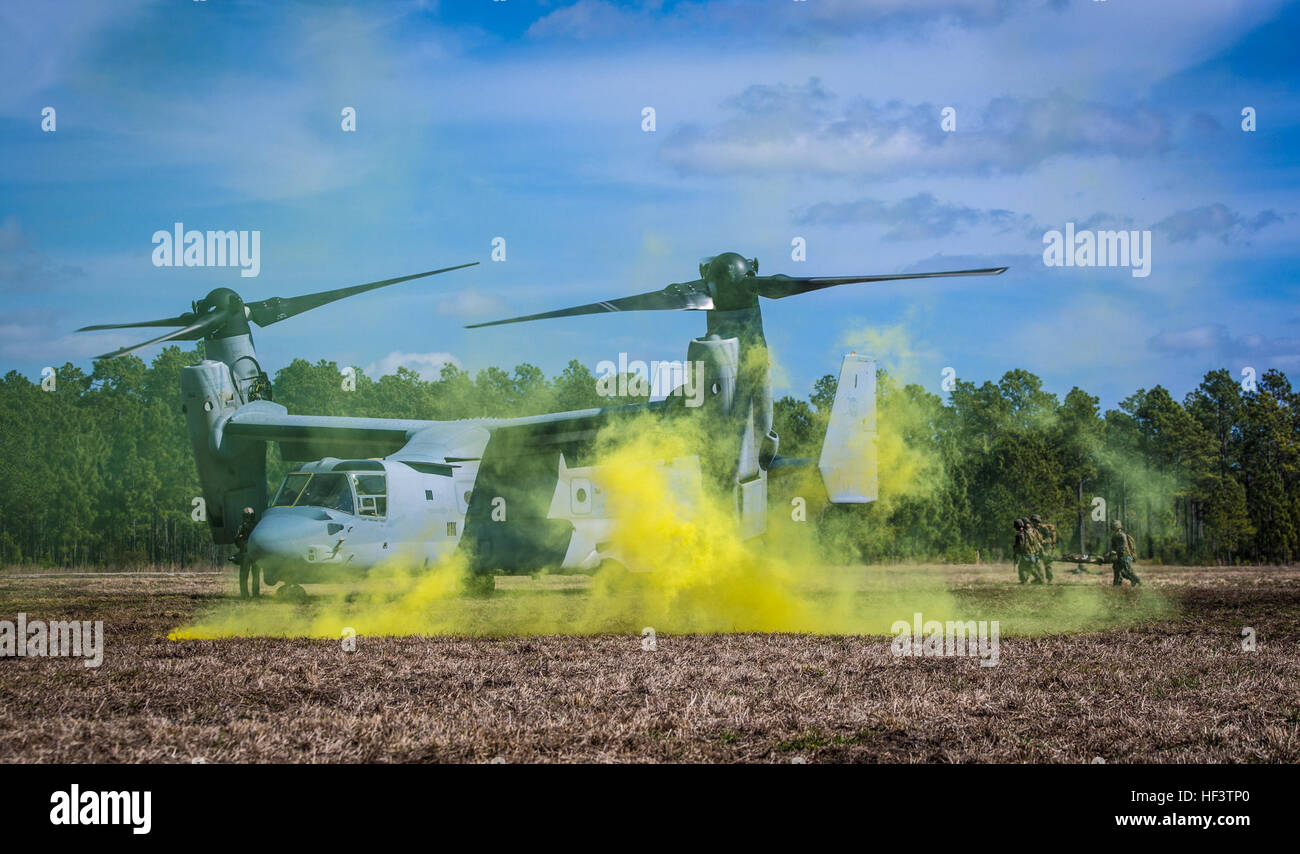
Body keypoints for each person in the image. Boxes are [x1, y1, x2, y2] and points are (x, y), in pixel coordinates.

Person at [233, 507, 261, 599]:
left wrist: (242, 542)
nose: (248, 518)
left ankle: (247, 595)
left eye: (249, 516)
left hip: (248, 553)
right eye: (247, 516)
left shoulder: (242, 526)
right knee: (253, 575)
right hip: (252, 553)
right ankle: (253, 595)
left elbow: (236, 541)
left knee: (247, 575)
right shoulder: (257, 526)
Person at [1104, 519, 1141, 587]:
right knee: (1117, 570)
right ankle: (1116, 586)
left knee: (1128, 571)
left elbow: (1123, 547)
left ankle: (1138, 581)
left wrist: (1113, 552)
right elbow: (1113, 547)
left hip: (1124, 556)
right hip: (1118, 556)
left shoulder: (1122, 535)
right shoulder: (1114, 536)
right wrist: (1111, 553)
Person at [1013, 519, 1043, 584]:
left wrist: (1017, 551)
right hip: (1032, 552)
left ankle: (1024, 581)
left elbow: (1021, 545)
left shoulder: (1020, 534)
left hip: (1026, 553)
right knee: (1031, 567)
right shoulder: (1029, 532)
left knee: (1022, 567)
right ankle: (1039, 579)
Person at [1030, 514, 1056, 583]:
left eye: (1033, 521)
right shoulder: (1035, 529)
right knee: (1035, 563)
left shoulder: (1044, 528)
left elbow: (1049, 538)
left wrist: (1044, 542)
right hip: (1039, 547)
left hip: (1047, 547)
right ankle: (1039, 578)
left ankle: (1049, 579)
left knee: (1047, 563)